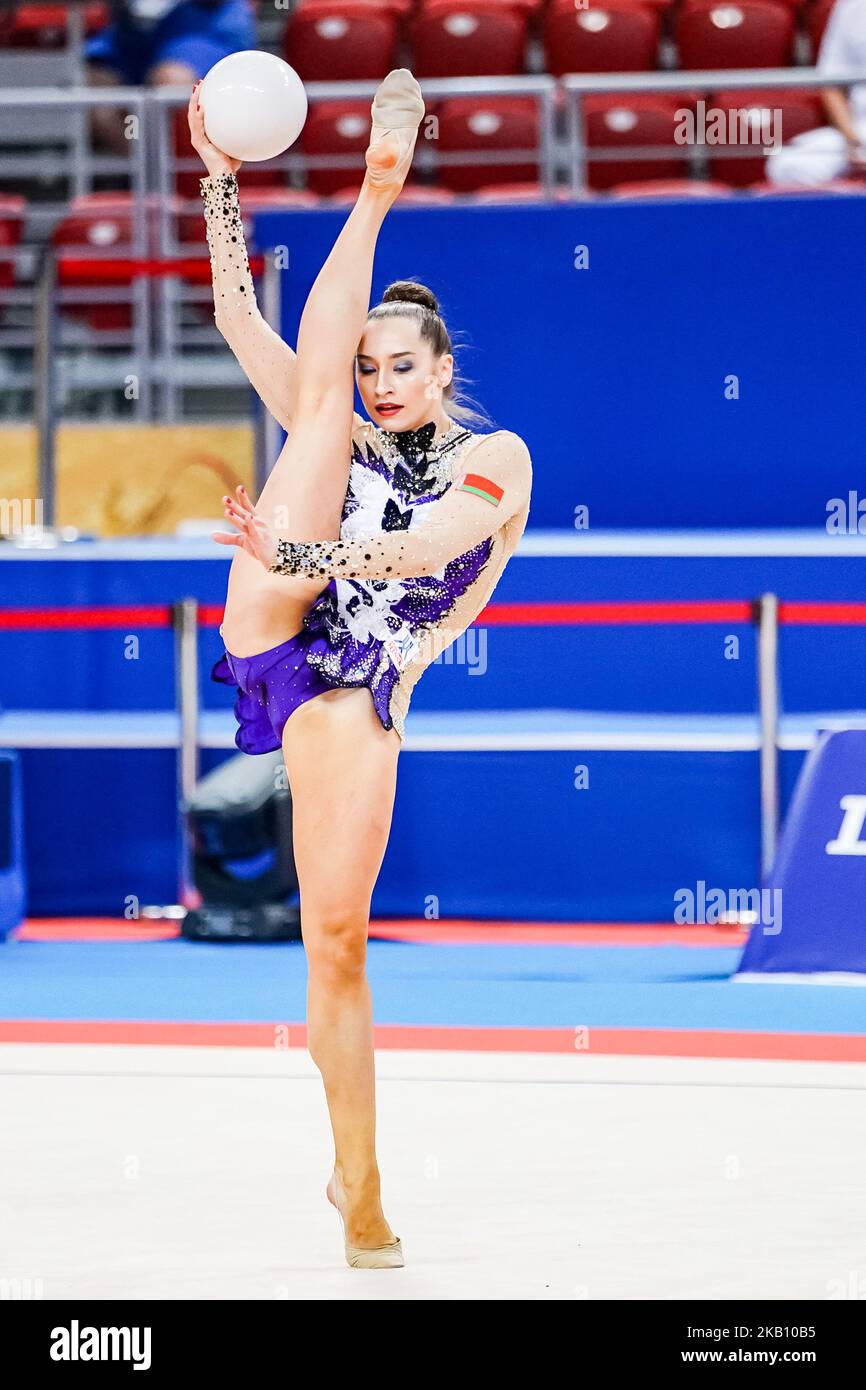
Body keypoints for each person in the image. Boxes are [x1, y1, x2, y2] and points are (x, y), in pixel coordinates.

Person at [190, 68, 533, 1268]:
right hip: (275, 608)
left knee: (334, 940)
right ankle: (374, 194)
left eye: (403, 366)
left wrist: (306, 544)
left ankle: (360, 1183)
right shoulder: (341, 422)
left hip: (354, 679)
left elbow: (433, 545)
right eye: (373, 362)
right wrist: (220, 186)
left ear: (442, 370)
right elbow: (238, 317)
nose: (383, 382)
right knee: (312, 406)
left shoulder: (498, 458)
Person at [86, 0, 255, 151]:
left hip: (204, 24)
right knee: (93, 88)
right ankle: (145, 170)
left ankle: (171, 175)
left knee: (171, 81)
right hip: (131, 31)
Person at [767, 0, 866, 187]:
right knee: (788, 166)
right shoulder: (852, 6)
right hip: (861, 129)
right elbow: (832, 85)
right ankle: (849, 210)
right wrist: (853, 142)